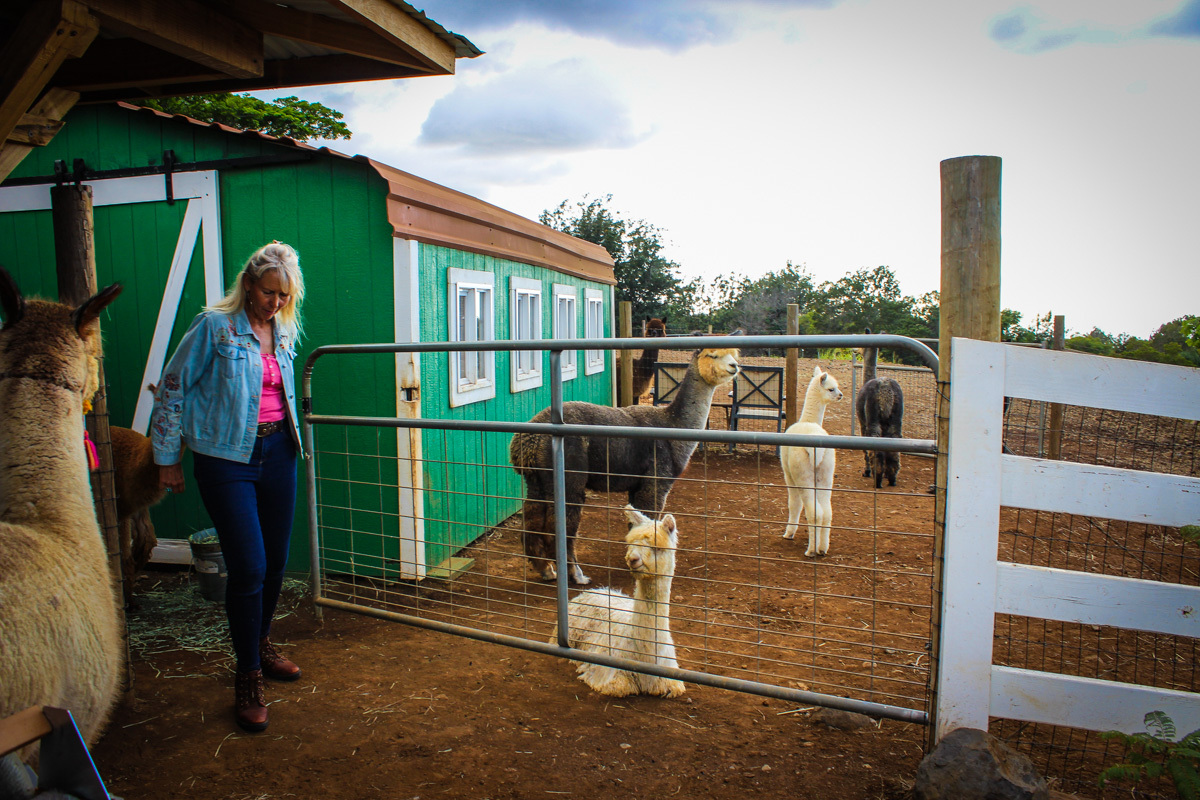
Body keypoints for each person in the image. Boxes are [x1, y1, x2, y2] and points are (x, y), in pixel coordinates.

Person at [151, 241, 306, 732]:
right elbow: (172, 387)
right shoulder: (213, 327)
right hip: (225, 459)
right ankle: (248, 676)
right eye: (268, 292)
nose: (275, 303)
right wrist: (167, 458)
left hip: (279, 452)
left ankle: (260, 643)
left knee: (276, 562)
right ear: (249, 285)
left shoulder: (283, 330)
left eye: (284, 296)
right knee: (249, 566)